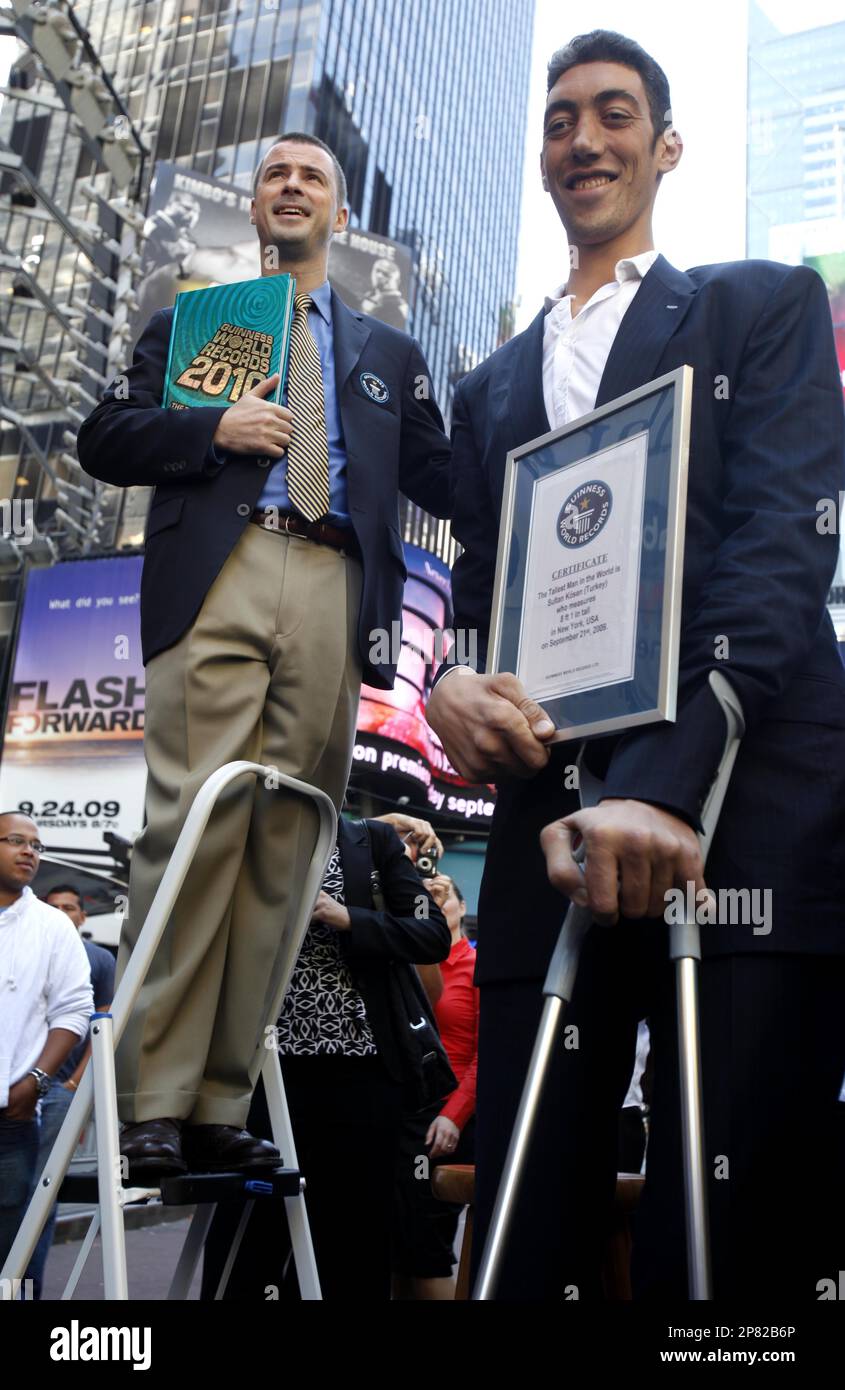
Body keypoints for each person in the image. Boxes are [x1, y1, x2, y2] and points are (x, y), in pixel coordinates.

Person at [426, 29, 845, 1300]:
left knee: (728, 1215)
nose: (582, 137)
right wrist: (453, 684)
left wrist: (662, 783)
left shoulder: (760, 304)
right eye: (559, 119)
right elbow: (478, 596)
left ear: (663, 146)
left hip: (742, 811)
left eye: (613, 114)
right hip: (541, 829)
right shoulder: (488, 384)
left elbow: (780, 547)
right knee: (523, 1196)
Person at [77, 131, 451, 1179]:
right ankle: (151, 1094)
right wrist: (211, 433)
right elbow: (105, 435)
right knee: (198, 827)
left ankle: (216, 1101)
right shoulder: (197, 321)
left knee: (287, 851)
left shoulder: (388, 356)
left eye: (313, 178)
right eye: (275, 174)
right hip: (225, 570)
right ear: (254, 207)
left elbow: (447, 478)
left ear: (337, 214)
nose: (292, 187)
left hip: (335, 589)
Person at [200, 815, 450, 1301]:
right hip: (263, 1070)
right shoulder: (250, 828)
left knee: (353, 1228)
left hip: (363, 1067)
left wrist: (348, 916)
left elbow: (431, 934)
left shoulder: (370, 839)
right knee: (249, 1218)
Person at [0, 815, 93, 1274]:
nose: (29, 851)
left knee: (14, 1238)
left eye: (36, 845)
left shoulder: (52, 927)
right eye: (16, 841)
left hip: (13, 1114)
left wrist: (35, 1084)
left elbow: (77, 1012)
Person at [25, 885, 115, 1298]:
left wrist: (76, 1087)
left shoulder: (99, 959)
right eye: (53, 906)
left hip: (59, 1092)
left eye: (70, 907)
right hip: (13, 1088)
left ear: (82, 916)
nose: (62, 912)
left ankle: (26, 1289)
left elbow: (105, 1028)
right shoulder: (22, 948)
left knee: (38, 1196)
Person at [393, 874, 479, 1300]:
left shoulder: (477, 967)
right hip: (402, 1115)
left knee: (427, 1248)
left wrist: (454, 1115)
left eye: (443, 902)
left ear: (462, 909)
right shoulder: (409, 964)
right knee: (397, 1247)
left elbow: (490, 1055)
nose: (432, 908)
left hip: (446, 1120)